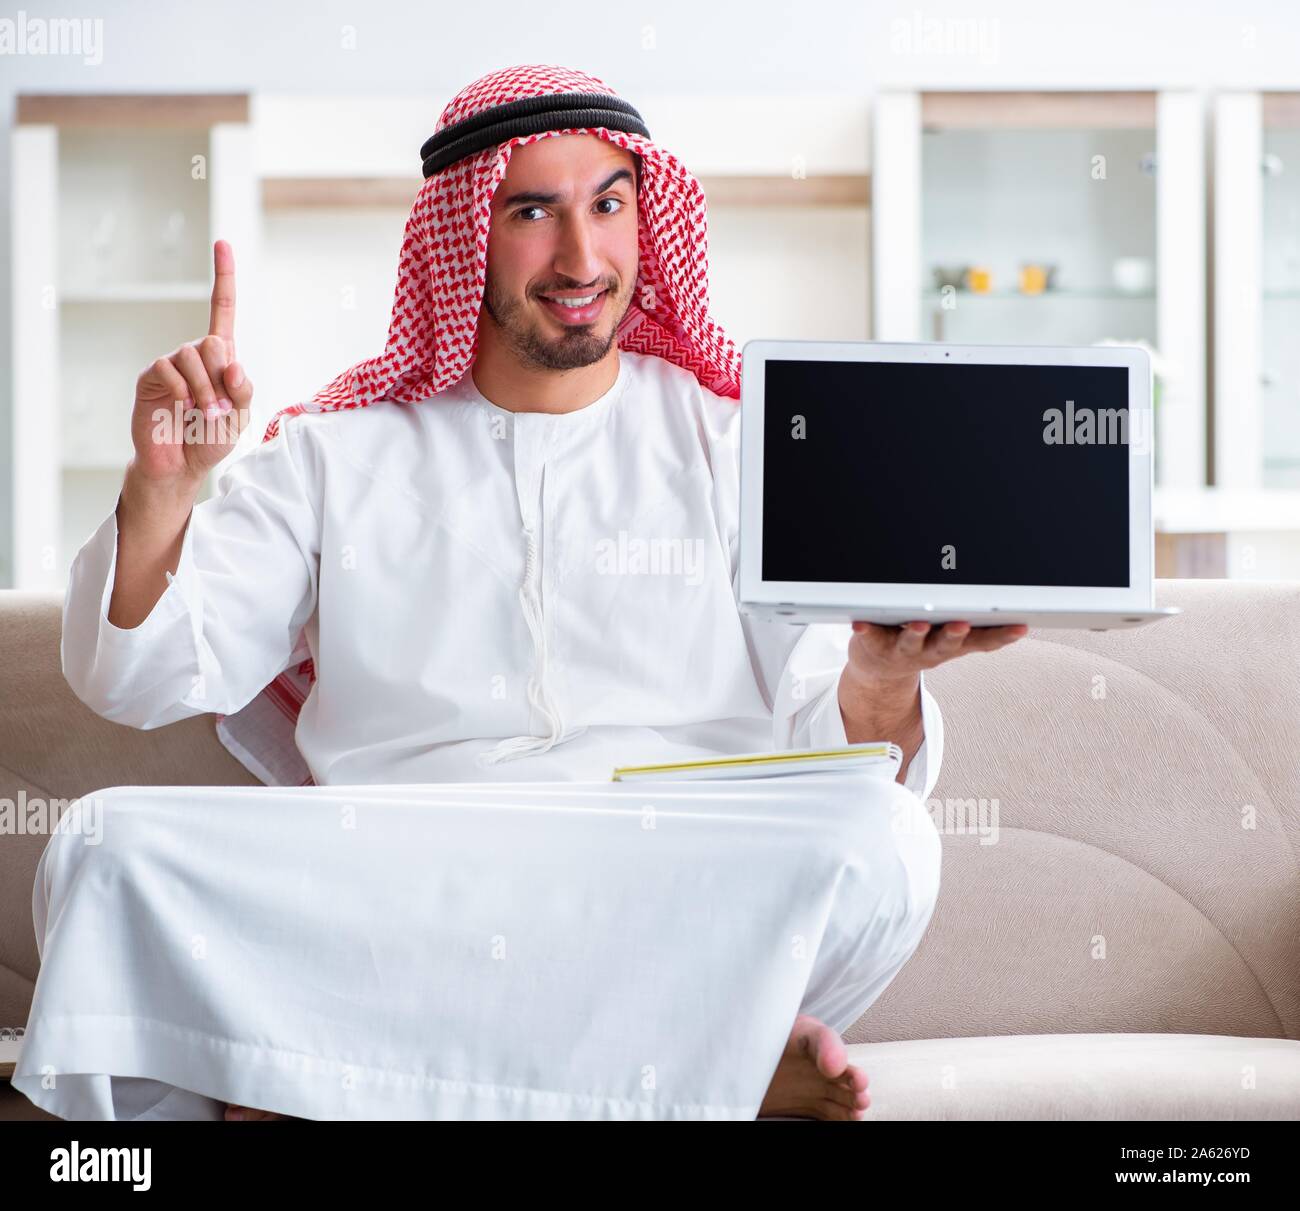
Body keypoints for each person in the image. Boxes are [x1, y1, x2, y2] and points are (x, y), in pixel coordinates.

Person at [16, 65, 1026, 1122]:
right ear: (463, 235)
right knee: (105, 845)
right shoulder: (333, 454)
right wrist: (164, 495)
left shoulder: (740, 446)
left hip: (666, 869)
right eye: (533, 210)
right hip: (406, 870)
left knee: (884, 835)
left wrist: (879, 674)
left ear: (649, 217)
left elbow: (839, 737)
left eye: (609, 204)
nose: (583, 257)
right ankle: (706, 1066)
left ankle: (323, 1074)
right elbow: (139, 675)